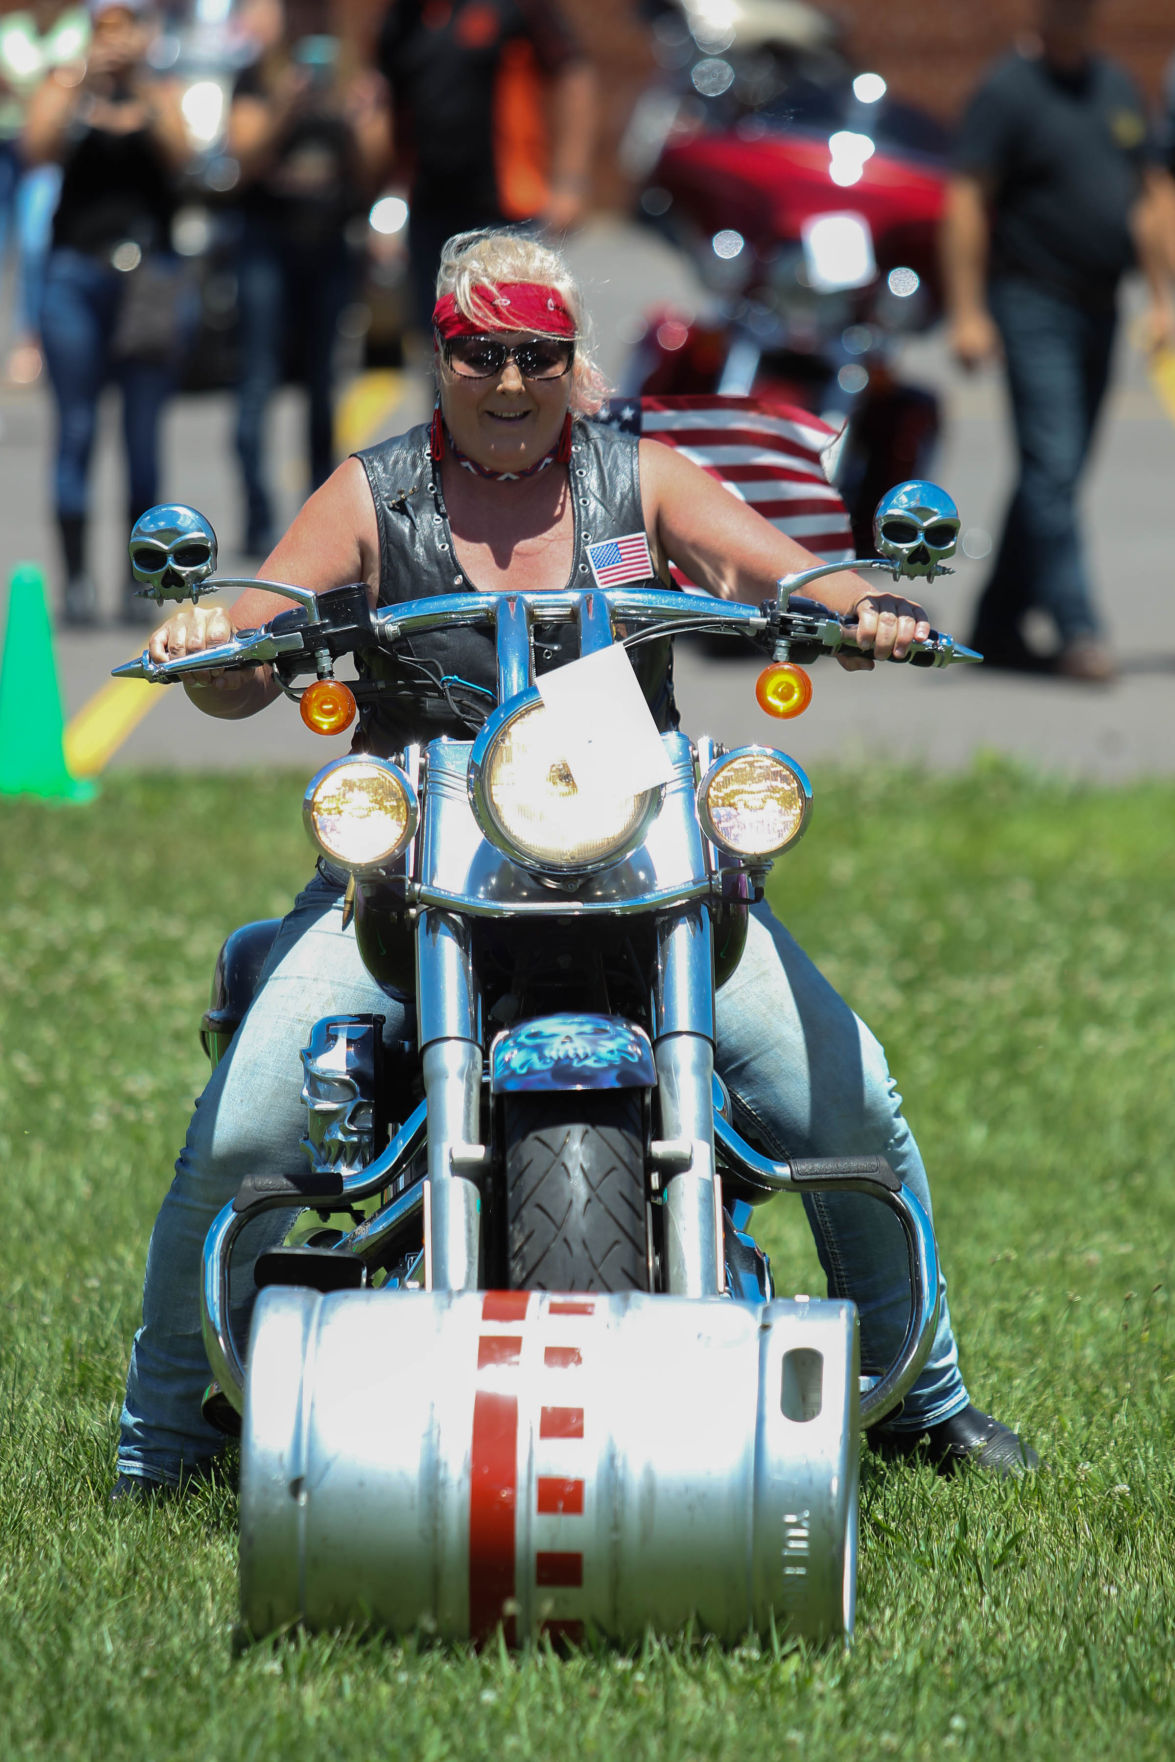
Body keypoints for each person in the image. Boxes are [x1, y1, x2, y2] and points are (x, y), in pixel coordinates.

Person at [113, 226, 1038, 1500]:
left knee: (848, 1092)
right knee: (248, 1127)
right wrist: (221, 636)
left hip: (636, 856)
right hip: (412, 873)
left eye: (535, 356)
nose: (506, 384)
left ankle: (921, 1401)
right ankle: (160, 1433)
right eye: (478, 354)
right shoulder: (370, 493)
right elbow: (268, 626)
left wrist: (852, 608)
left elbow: (772, 566)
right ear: (437, 355)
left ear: (571, 361)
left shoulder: (636, 476)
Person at [940, 0, 1175, 684]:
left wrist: (1162, 299)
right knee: (1052, 462)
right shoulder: (1005, 91)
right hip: (1029, 299)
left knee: (1057, 468)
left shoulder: (1112, 85)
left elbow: (1146, 195)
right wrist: (966, 312)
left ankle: (996, 624)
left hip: (1100, 303)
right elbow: (963, 199)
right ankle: (1078, 628)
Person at [22, 0, 194, 626]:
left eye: (128, 29)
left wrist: (142, 83)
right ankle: (75, 581)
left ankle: (138, 580)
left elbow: (184, 155)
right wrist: (82, 78)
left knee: (143, 438)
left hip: (150, 276)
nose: (117, 41)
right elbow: (37, 147)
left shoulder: (161, 89)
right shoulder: (67, 87)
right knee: (76, 430)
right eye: (106, 29)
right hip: (76, 274)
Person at [225, 0, 391, 557]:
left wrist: (359, 119)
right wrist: (286, 108)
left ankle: (321, 520)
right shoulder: (258, 76)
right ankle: (254, 516)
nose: (305, 18)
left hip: (329, 247)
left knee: (324, 390)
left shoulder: (351, 77)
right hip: (266, 246)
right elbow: (241, 159)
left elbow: (373, 172)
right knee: (256, 384)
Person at [375, 0, 596, 330]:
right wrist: (386, 206)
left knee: (517, 340)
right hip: (429, 214)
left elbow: (574, 78)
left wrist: (570, 182)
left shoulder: (516, 7)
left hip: (507, 212)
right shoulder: (403, 16)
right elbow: (387, 108)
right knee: (444, 347)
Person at [0, 0, 89, 386]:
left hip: (45, 156)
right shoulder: (11, 28)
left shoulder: (80, 28)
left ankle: (29, 339)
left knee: (36, 242)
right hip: (4, 147)